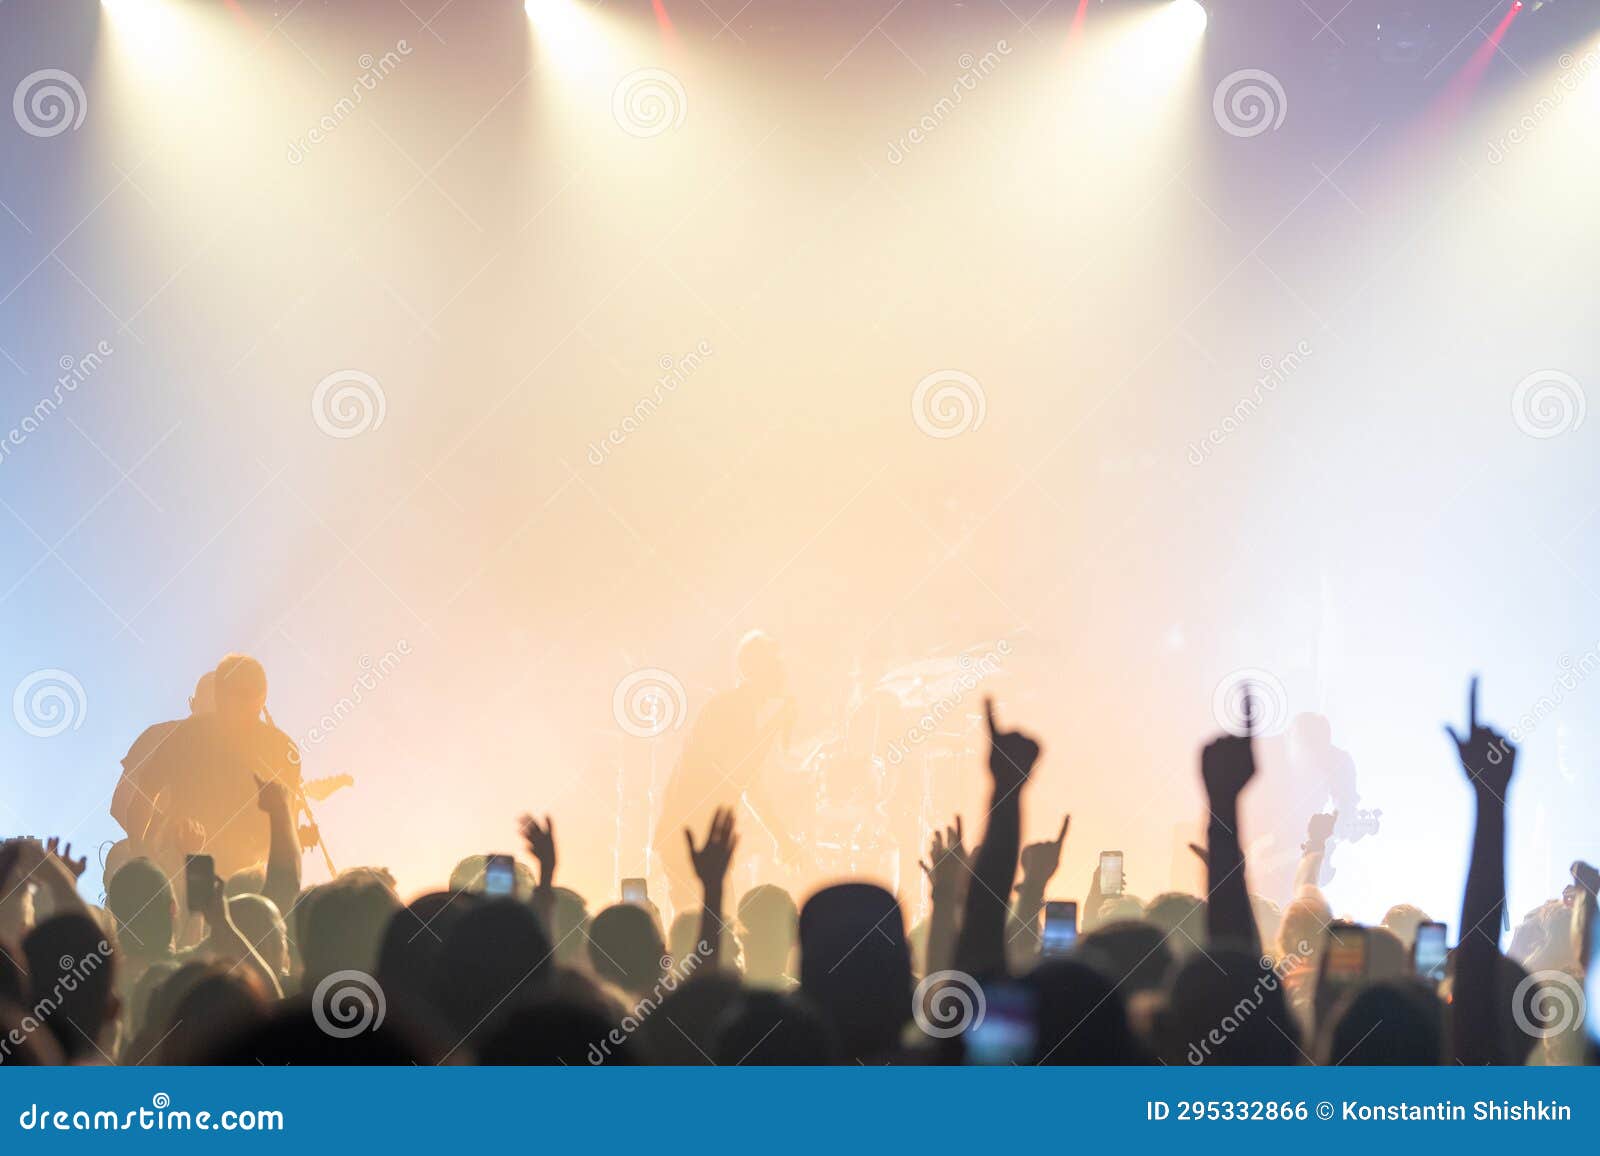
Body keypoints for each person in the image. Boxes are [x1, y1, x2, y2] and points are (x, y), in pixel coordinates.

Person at [111, 655, 303, 880]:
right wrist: (147, 856)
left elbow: (286, 825)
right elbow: (127, 802)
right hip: (184, 863)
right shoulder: (176, 735)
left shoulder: (279, 748)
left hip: (236, 870)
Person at [652, 631, 798, 906]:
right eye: (774, 665)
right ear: (750, 670)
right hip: (688, 837)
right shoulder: (728, 708)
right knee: (705, 927)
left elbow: (750, 785)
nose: (782, 672)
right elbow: (737, 773)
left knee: (717, 927)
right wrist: (775, 725)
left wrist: (781, 837)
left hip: (703, 840)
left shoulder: (745, 713)